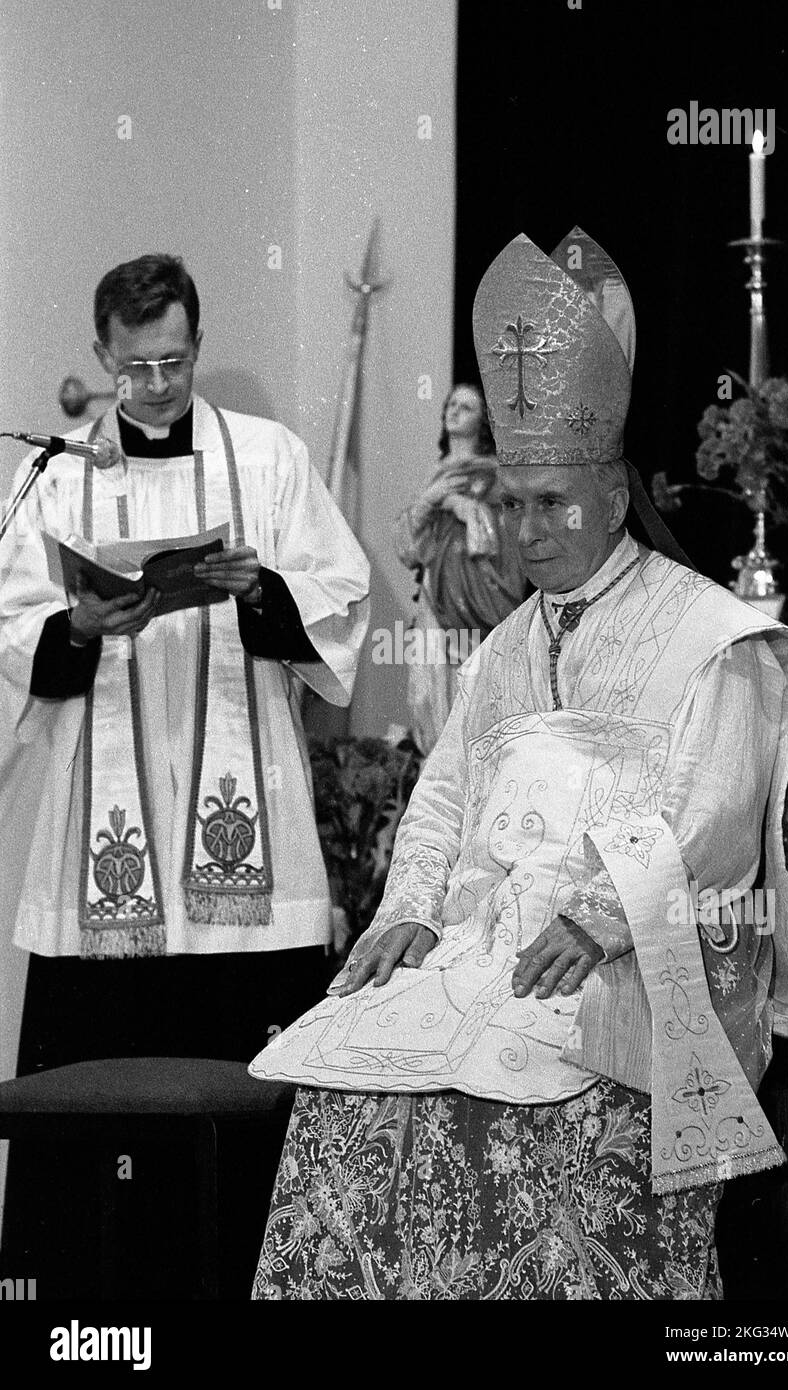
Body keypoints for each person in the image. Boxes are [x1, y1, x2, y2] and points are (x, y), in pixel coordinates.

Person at [249, 227, 788, 1301]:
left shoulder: (699, 632)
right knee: (344, 1086)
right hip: (490, 948)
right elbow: (441, 798)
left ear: (612, 497)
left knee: (530, 1106)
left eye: (548, 503)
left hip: (627, 959)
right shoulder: (503, 650)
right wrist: (408, 913)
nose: (522, 533)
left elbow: (710, 813)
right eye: (512, 505)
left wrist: (595, 915)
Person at [0, 253, 370, 1290]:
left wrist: (261, 593)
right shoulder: (58, 474)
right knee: (94, 1121)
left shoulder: (270, 459)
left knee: (247, 1116)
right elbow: (10, 625)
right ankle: (78, 1310)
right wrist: (73, 626)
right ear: (99, 355)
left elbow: (339, 596)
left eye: (171, 361)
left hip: (245, 877)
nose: (154, 385)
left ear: (197, 347)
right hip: (99, 865)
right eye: (132, 367)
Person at [394, 383, 527, 753]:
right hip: (434, 601)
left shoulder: (496, 474)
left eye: (465, 407)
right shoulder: (437, 475)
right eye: (451, 404)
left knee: (465, 694)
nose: (453, 410)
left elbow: (501, 541)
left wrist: (469, 510)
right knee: (426, 692)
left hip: (476, 604)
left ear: (484, 422)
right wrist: (432, 500)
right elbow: (409, 550)